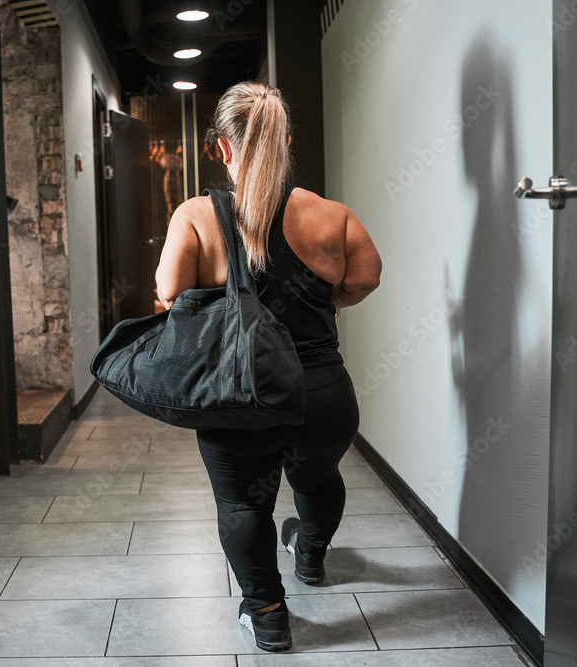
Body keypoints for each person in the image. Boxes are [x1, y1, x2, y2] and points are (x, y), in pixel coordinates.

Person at [154, 81, 382, 652]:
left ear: (222, 148)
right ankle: (310, 554)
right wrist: (328, 302)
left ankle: (268, 614)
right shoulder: (332, 216)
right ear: (285, 142)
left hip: (241, 395)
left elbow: (169, 293)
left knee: (242, 504)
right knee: (319, 477)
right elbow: (365, 277)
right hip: (323, 395)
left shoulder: (196, 215)